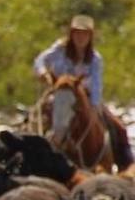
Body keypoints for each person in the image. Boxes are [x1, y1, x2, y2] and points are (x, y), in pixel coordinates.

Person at [33, 14, 133, 169]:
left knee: (118, 127)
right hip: (59, 94)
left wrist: (93, 105)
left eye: (85, 34)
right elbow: (40, 60)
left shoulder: (95, 59)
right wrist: (43, 72)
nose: (81, 38)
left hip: (85, 97)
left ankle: (128, 167)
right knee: (36, 124)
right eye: (77, 33)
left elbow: (97, 85)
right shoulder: (59, 50)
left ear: (90, 37)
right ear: (71, 34)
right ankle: (33, 161)